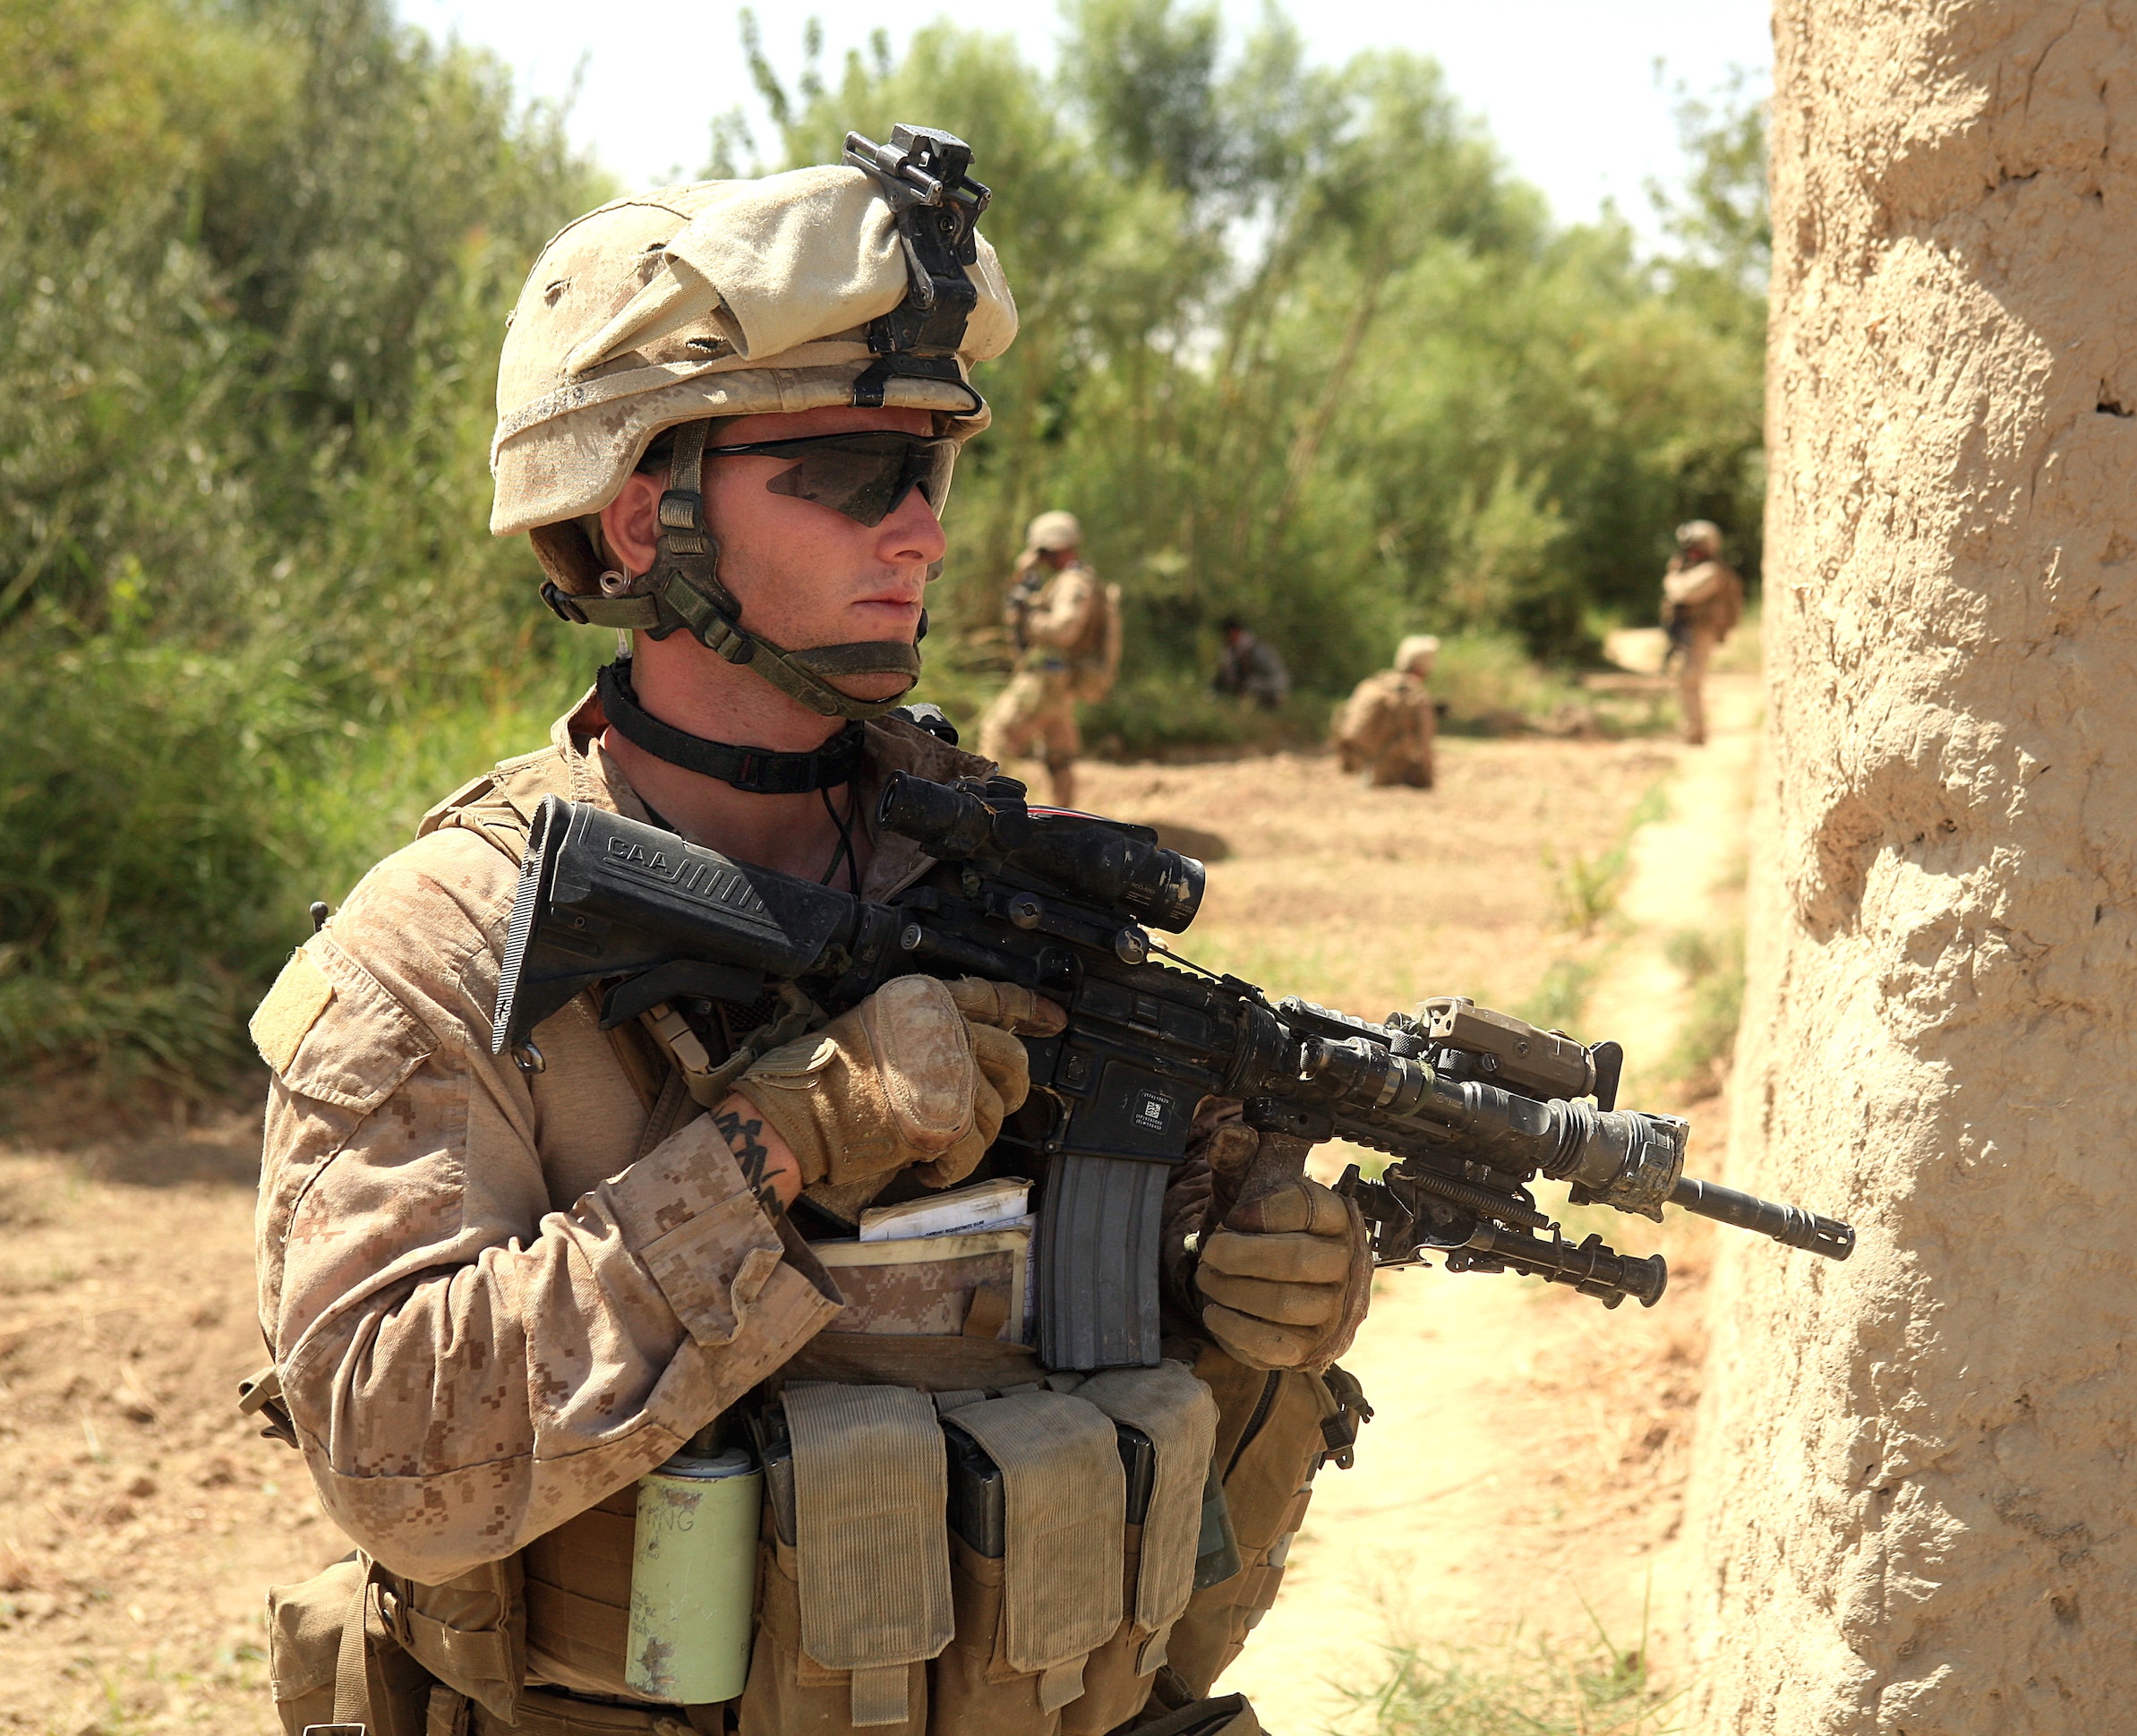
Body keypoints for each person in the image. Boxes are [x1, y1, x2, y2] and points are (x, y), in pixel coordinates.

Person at [243, 140, 1368, 1736]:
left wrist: (1247, 1266)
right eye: (848, 475)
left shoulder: (995, 867)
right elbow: (392, 1446)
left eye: (932, 474)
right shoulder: (449, 940)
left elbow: (1161, 1244)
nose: (918, 533)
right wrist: (780, 1138)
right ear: (643, 518)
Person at [977, 509, 1114, 807]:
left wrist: (1029, 619)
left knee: (998, 733)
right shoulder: (1070, 579)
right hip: (1058, 681)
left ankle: (992, 806)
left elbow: (1064, 629)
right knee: (1058, 755)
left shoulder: (1073, 582)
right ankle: (1064, 817)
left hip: (1046, 679)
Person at [1660, 519, 1740, 745]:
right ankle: (1691, 728)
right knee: (1684, 679)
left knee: (1689, 679)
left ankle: (1694, 730)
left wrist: (1673, 575)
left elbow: (1681, 593)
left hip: (1702, 632)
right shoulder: (1693, 568)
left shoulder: (1711, 571)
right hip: (1690, 631)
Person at [1333, 635, 1440, 789]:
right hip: (1388, 771)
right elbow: (1425, 745)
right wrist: (1428, 779)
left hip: (1355, 766)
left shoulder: (1373, 683)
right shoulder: (1415, 695)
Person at [1210, 617, 1288, 709]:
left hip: (1269, 686)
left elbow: (1274, 674)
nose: (1226, 638)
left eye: (1228, 634)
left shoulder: (1257, 648)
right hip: (1250, 686)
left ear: (1235, 632)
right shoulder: (1231, 651)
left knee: (1252, 685)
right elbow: (1224, 673)